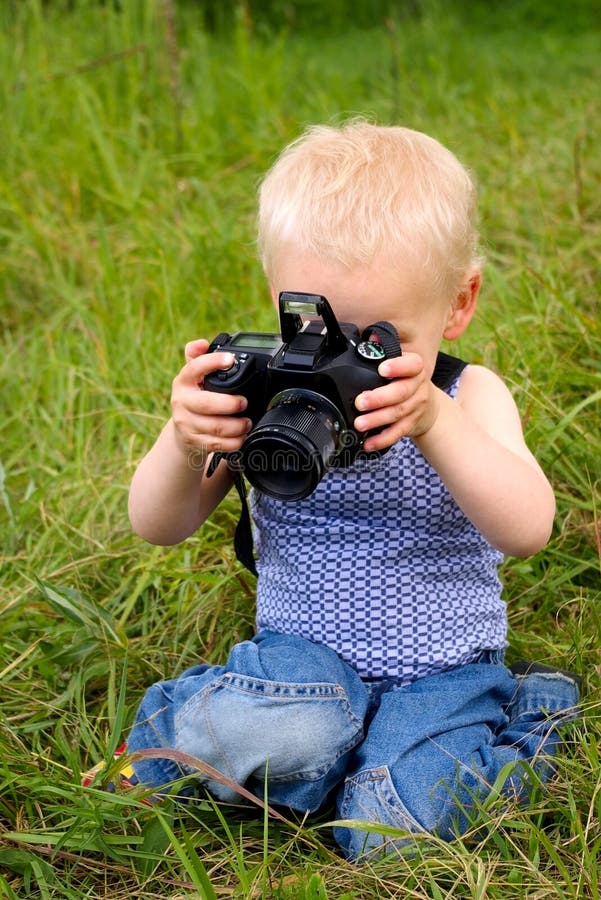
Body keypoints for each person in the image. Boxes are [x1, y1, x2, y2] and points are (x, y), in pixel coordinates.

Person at [93, 121, 580, 858]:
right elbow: (159, 524)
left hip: (441, 673)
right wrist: (186, 437)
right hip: (302, 669)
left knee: (391, 830)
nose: (339, 370)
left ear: (457, 304)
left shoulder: (465, 394)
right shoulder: (268, 395)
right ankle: (187, 739)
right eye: (314, 332)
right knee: (287, 731)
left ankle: (533, 717)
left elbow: (526, 528)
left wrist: (434, 423)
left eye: (376, 345)